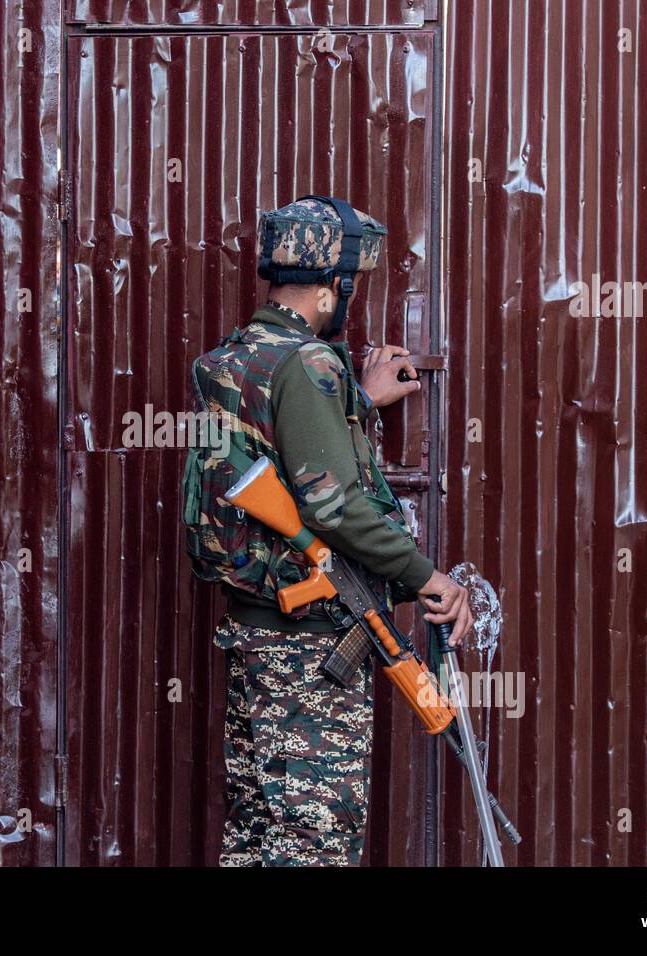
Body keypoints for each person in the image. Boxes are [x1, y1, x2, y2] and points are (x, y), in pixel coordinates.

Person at [183, 195, 474, 866]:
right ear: (331, 288)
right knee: (314, 844)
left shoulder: (229, 360)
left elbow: (270, 445)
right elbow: (333, 505)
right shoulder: (307, 363)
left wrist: (359, 400)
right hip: (309, 651)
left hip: (255, 635)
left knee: (257, 837)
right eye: (350, 287)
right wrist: (425, 575)